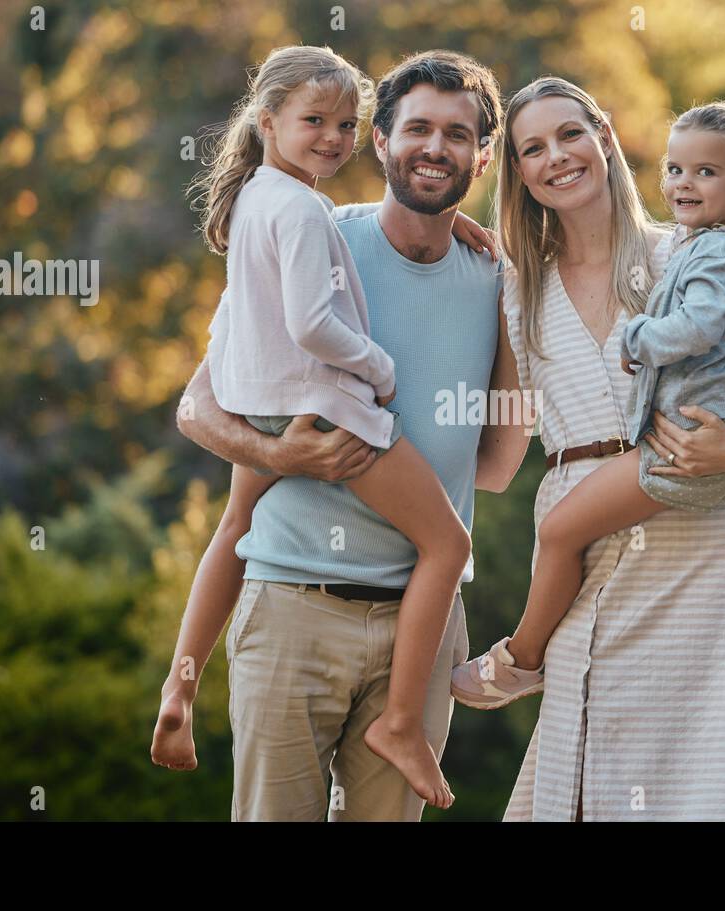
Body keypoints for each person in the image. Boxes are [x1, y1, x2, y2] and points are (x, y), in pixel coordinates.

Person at [173, 50, 513, 821]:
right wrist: (277, 453)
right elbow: (199, 407)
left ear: (483, 157)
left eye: (457, 135)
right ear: (382, 143)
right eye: (417, 128)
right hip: (295, 605)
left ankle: (401, 720)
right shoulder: (321, 237)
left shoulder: (497, 275)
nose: (435, 148)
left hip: (418, 634)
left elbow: (496, 465)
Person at [483, 77, 725, 820]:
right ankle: (523, 657)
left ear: (604, 134)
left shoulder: (691, 256)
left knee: (713, 780)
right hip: (586, 543)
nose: (556, 157)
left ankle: (517, 658)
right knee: (583, 771)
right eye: (532, 148)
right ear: (518, 172)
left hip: (708, 547)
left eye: (570, 133)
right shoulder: (513, 289)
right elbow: (500, 453)